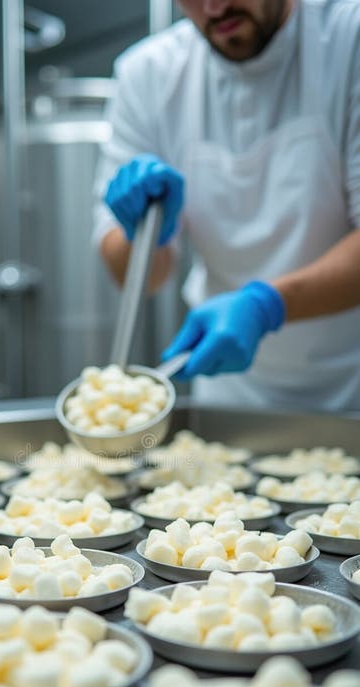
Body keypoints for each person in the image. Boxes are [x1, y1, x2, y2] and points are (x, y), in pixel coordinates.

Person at [92, 0, 360, 411]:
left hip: (352, 384)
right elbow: (137, 279)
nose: (213, 7)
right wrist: (141, 235)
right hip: (231, 392)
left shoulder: (348, 35)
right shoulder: (148, 75)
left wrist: (266, 306)